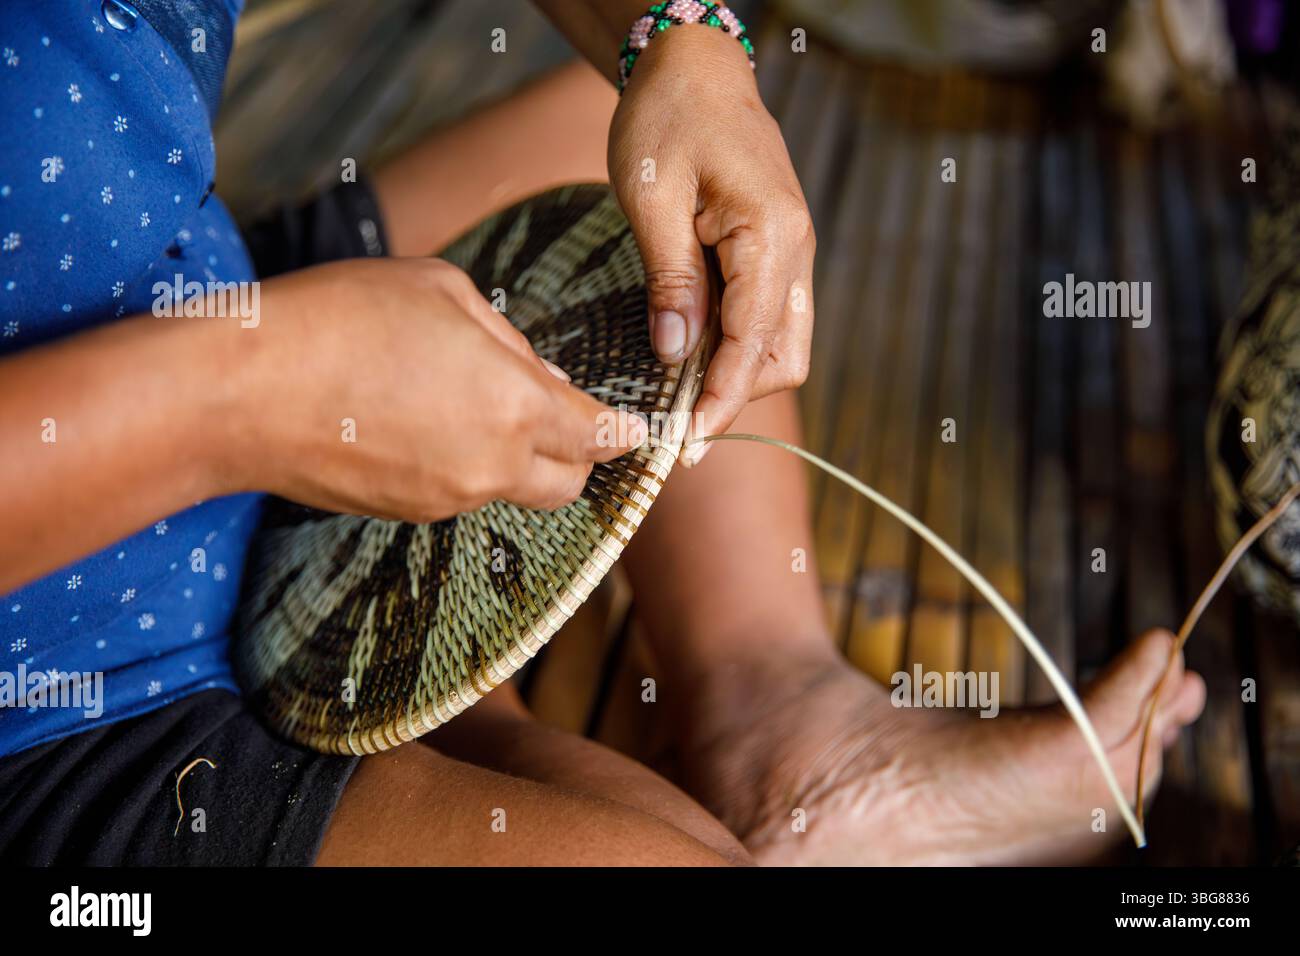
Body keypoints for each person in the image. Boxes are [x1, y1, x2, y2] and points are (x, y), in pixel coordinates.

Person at [0, 0, 1203, 866]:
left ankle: (769, 704)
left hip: (175, 292)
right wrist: (252, 398)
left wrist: (675, 44)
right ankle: (419, 691)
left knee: (643, 162)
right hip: (65, 683)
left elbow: (665, 74)